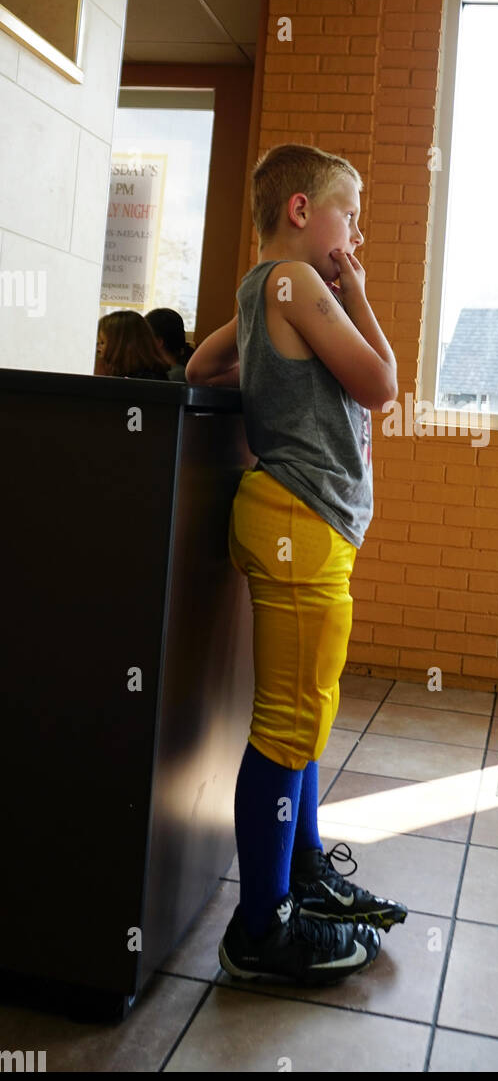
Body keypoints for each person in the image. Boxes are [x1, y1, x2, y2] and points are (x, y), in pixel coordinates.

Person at [185, 143, 407, 987]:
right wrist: (359, 296)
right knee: (288, 729)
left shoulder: (261, 288)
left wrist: (273, 365)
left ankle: (301, 876)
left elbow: (207, 365)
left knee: (303, 713)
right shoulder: (302, 284)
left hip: (286, 517)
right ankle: (262, 928)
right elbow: (382, 385)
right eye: (348, 211)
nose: (356, 231)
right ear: (303, 212)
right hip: (302, 524)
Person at [94, 310, 171, 380]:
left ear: (124, 345)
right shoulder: (118, 373)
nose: (97, 347)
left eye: (102, 342)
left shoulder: (149, 380)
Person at [145, 308, 195, 383]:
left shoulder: (172, 376)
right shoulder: (180, 370)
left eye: (143, 336)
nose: (141, 342)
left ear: (158, 342)